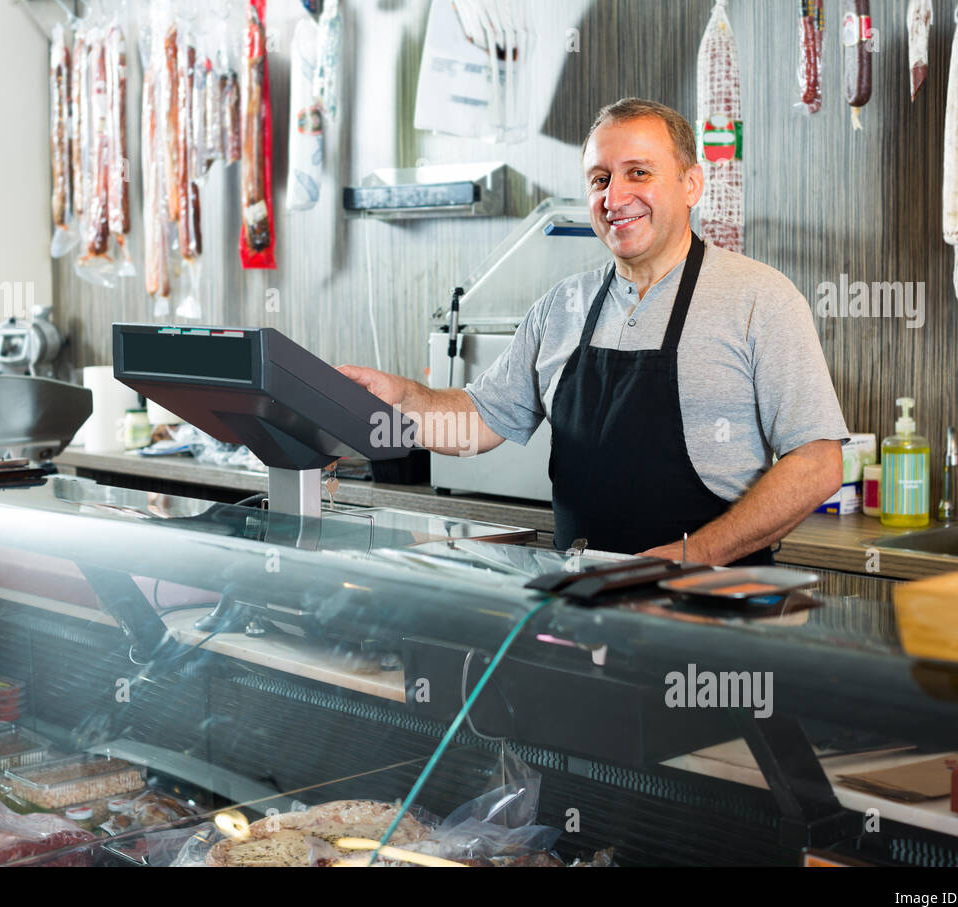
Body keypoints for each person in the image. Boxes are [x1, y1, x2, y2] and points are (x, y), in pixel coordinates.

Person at [340, 98, 848, 565]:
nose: (615, 196)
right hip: (582, 605)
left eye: (639, 173)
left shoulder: (760, 299)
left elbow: (817, 462)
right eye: (600, 179)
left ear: (691, 184)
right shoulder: (560, 307)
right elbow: (479, 421)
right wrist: (401, 399)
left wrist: (689, 556)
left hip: (710, 614)